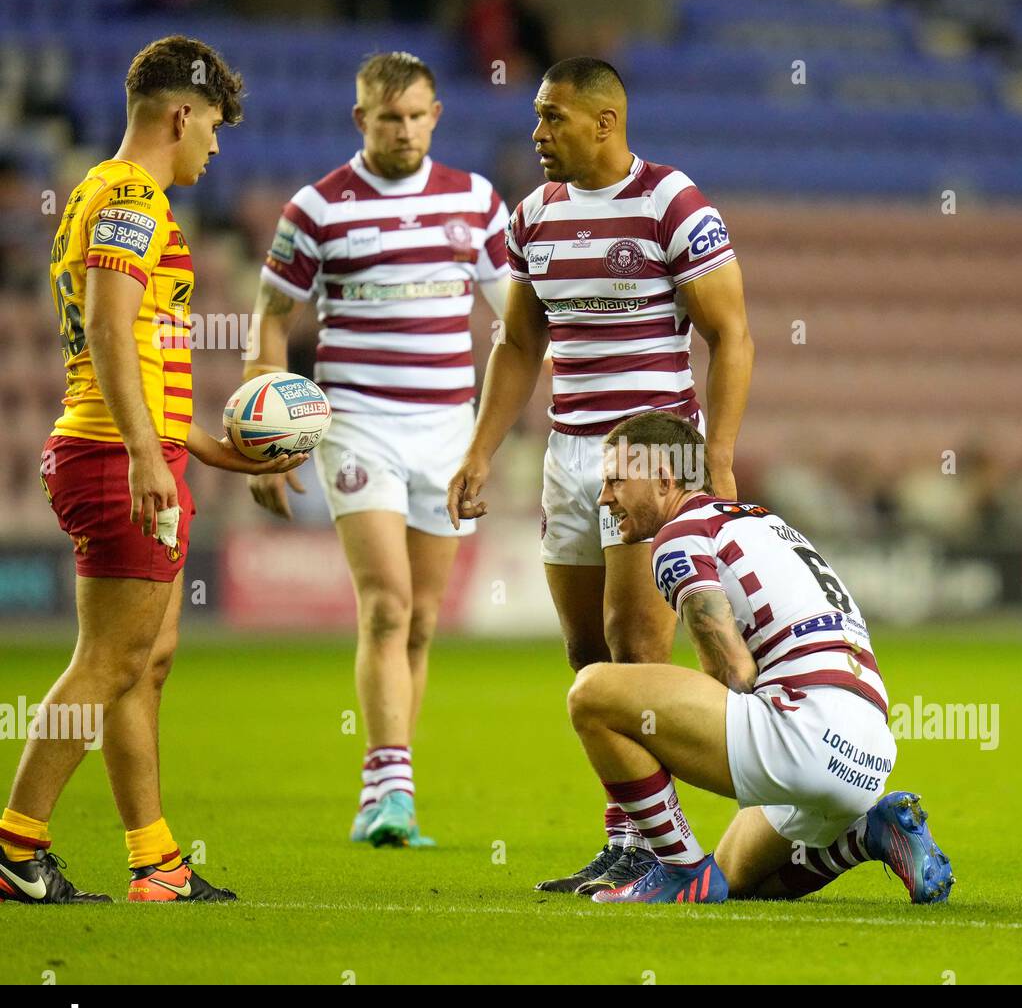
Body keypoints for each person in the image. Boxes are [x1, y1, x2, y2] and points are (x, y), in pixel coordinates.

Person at [0, 35, 307, 905]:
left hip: (125, 444)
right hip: (111, 450)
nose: (215, 144)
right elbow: (106, 325)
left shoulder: (106, 193)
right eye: (211, 125)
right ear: (180, 114)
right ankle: (16, 847)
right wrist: (144, 453)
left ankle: (156, 863)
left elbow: (130, 342)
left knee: (145, 658)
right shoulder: (134, 197)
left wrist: (204, 447)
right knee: (107, 659)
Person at [447, 57, 754, 894]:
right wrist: (481, 450)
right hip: (569, 452)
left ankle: (663, 847)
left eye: (553, 118)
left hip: (654, 452)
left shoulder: (671, 201)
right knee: (587, 658)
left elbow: (730, 333)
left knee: (637, 647)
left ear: (604, 122)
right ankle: (632, 837)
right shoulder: (532, 217)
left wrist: (715, 455)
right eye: (538, 119)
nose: (538, 134)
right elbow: (519, 345)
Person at [247, 52, 511, 848]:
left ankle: (384, 788)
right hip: (358, 421)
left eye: (417, 115)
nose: (403, 129)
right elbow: (269, 318)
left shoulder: (477, 201)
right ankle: (392, 788)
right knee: (388, 602)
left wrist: (492, 439)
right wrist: (268, 436)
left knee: (424, 618)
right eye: (387, 117)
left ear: (437, 115)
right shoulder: (318, 209)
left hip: (448, 429)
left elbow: (518, 324)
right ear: (360, 119)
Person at [565, 411, 954, 904]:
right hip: (869, 751)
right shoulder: (765, 521)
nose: (604, 497)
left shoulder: (679, 535)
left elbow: (730, 667)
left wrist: (678, 729)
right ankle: (869, 834)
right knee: (735, 878)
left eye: (615, 480)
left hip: (801, 730)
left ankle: (680, 870)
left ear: (663, 478)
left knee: (593, 692)